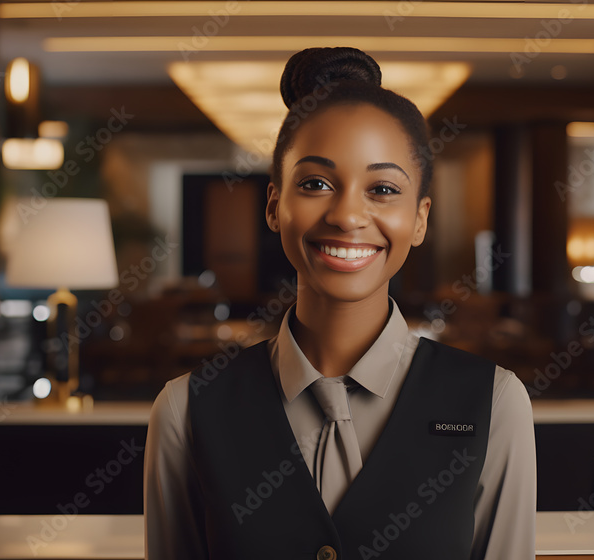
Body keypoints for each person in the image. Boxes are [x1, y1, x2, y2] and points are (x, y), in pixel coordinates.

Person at [144, 46, 536, 560]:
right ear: (274, 206)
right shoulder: (185, 410)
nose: (348, 215)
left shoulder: (495, 402)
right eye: (315, 184)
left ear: (420, 219)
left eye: (383, 189)